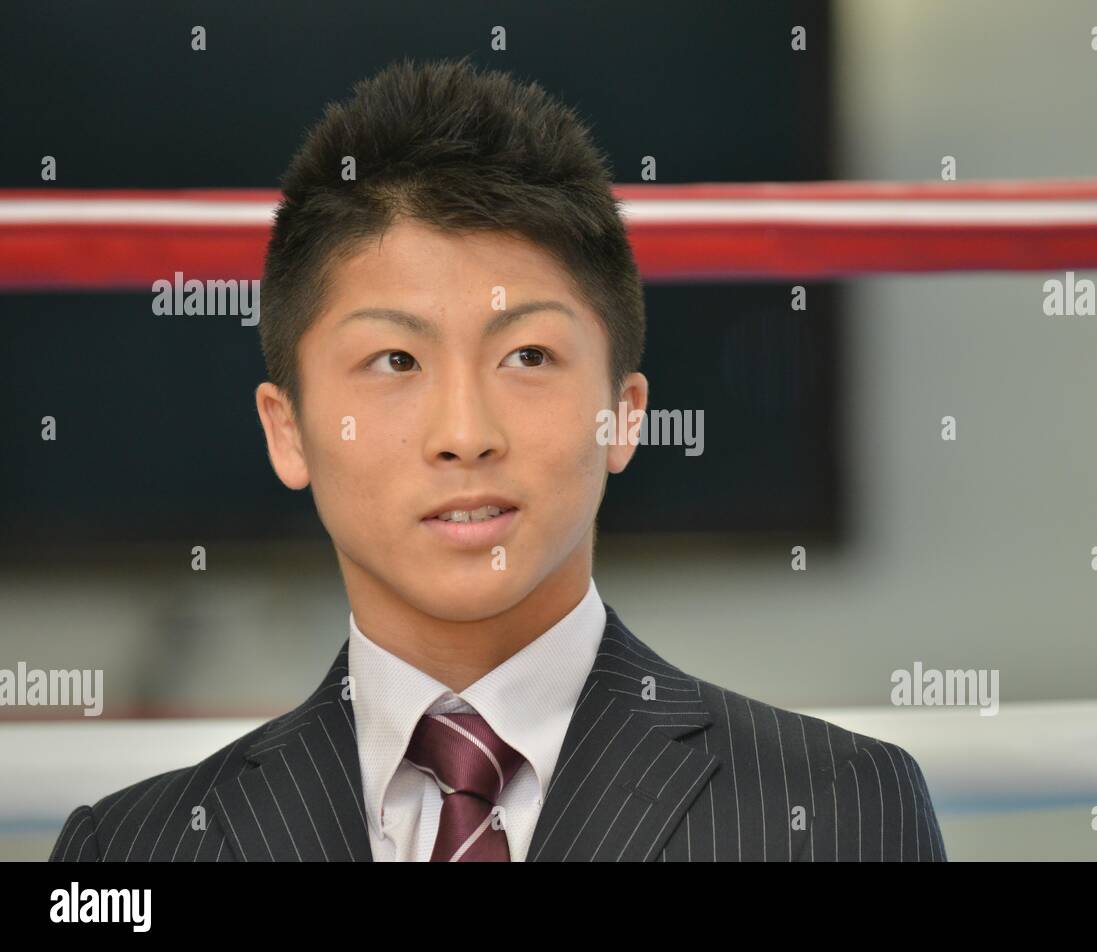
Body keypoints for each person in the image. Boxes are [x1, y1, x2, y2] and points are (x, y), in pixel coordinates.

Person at [48, 56, 946, 862]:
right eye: (395, 362)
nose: (464, 431)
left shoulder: (833, 814)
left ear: (624, 415)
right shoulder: (135, 853)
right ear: (288, 431)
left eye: (528, 357)